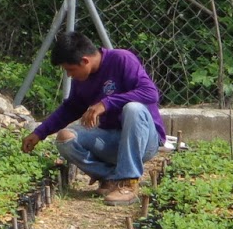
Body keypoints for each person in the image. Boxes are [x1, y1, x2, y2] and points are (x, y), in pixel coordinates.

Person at [20, 31, 165, 207]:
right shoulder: (82, 78)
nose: (69, 75)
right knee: (65, 139)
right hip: (111, 140)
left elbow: (150, 93)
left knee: (133, 109)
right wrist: (39, 133)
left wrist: (106, 103)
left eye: (70, 70)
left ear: (85, 61)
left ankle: (128, 182)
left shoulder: (122, 59)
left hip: (144, 141)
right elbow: (70, 108)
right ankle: (110, 178)